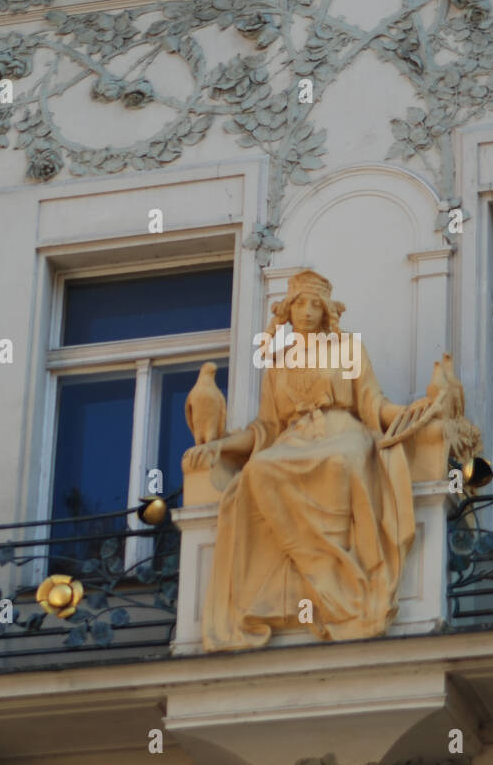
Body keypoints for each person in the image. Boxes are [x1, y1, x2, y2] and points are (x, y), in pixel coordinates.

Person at [183, 270, 434, 651]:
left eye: (316, 304)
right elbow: (265, 427)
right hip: (293, 438)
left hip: (341, 430)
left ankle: (341, 577)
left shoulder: (348, 349)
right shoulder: (278, 362)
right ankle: (318, 573)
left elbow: (371, 403)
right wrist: (221, 446)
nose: (307, 311)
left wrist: (411, 414)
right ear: (288, 310)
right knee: (258, 470)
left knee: (344, 461)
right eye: (300, 303)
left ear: (327, 311)